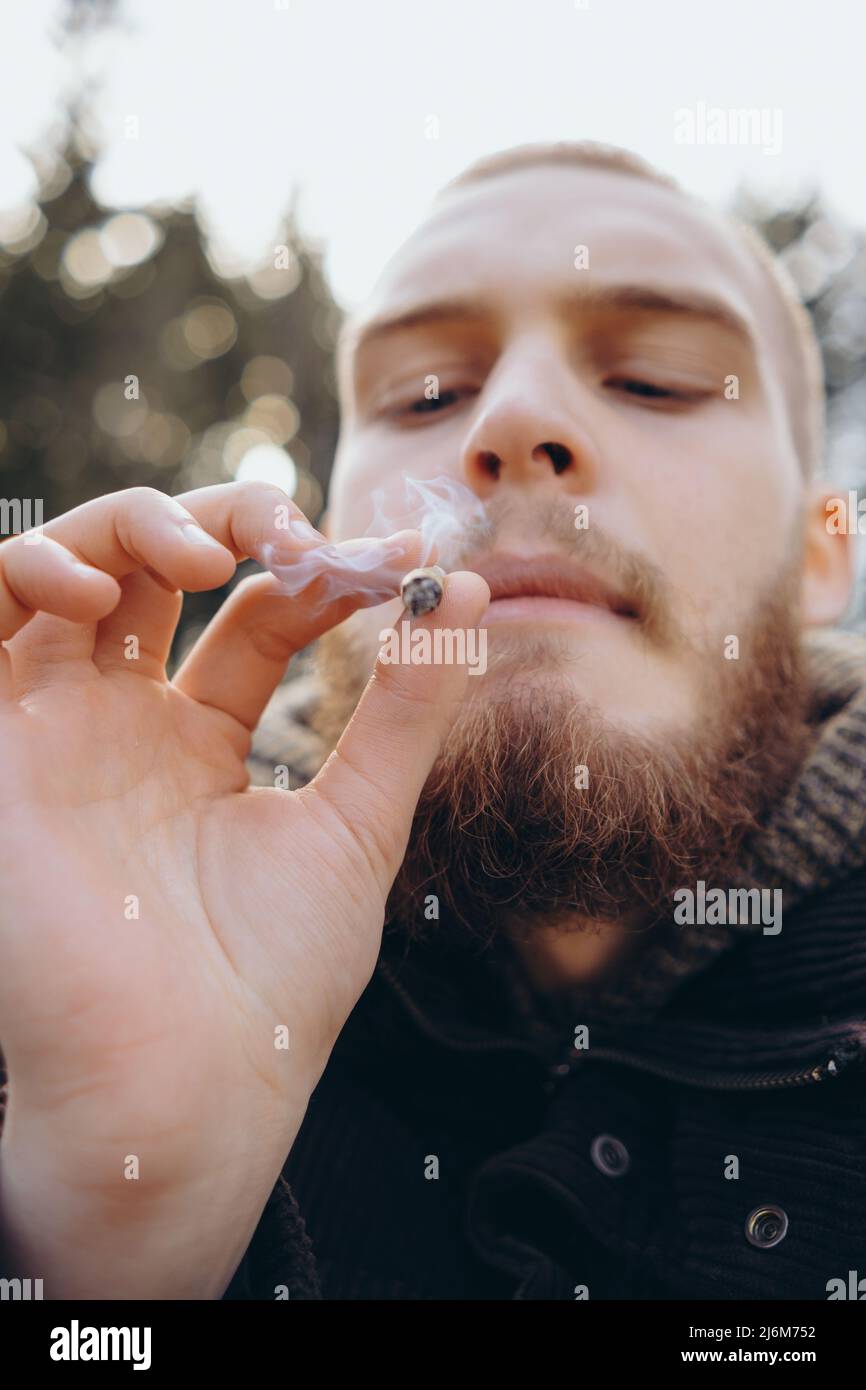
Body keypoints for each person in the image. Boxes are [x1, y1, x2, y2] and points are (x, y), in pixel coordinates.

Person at [1, 141, 865, 1302]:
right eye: (423, 396)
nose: (509, 423)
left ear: (821, 553)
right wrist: (105, 1241)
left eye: (655, 378)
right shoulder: (49, 956)